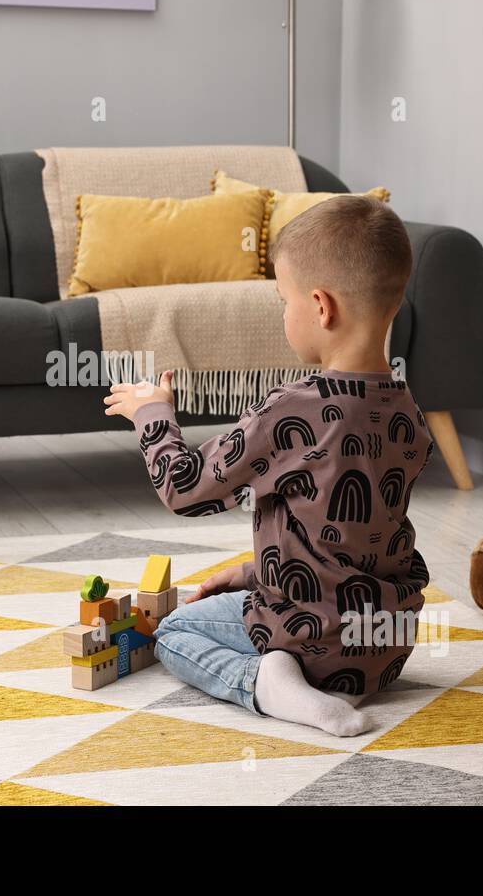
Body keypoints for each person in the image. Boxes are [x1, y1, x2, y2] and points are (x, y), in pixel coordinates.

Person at [104, 196, 434, 736]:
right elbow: (357, 536)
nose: (283, 314)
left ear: (321, 306)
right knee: (235, 601)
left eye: (284, 299)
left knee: (172, 632)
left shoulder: (294, 409)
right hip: (387, 648)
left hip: (310, 643)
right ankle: (315, 681)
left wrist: (153, 415)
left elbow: (185, 489)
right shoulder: (407, 410)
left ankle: (272, 685)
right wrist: (251, 573)